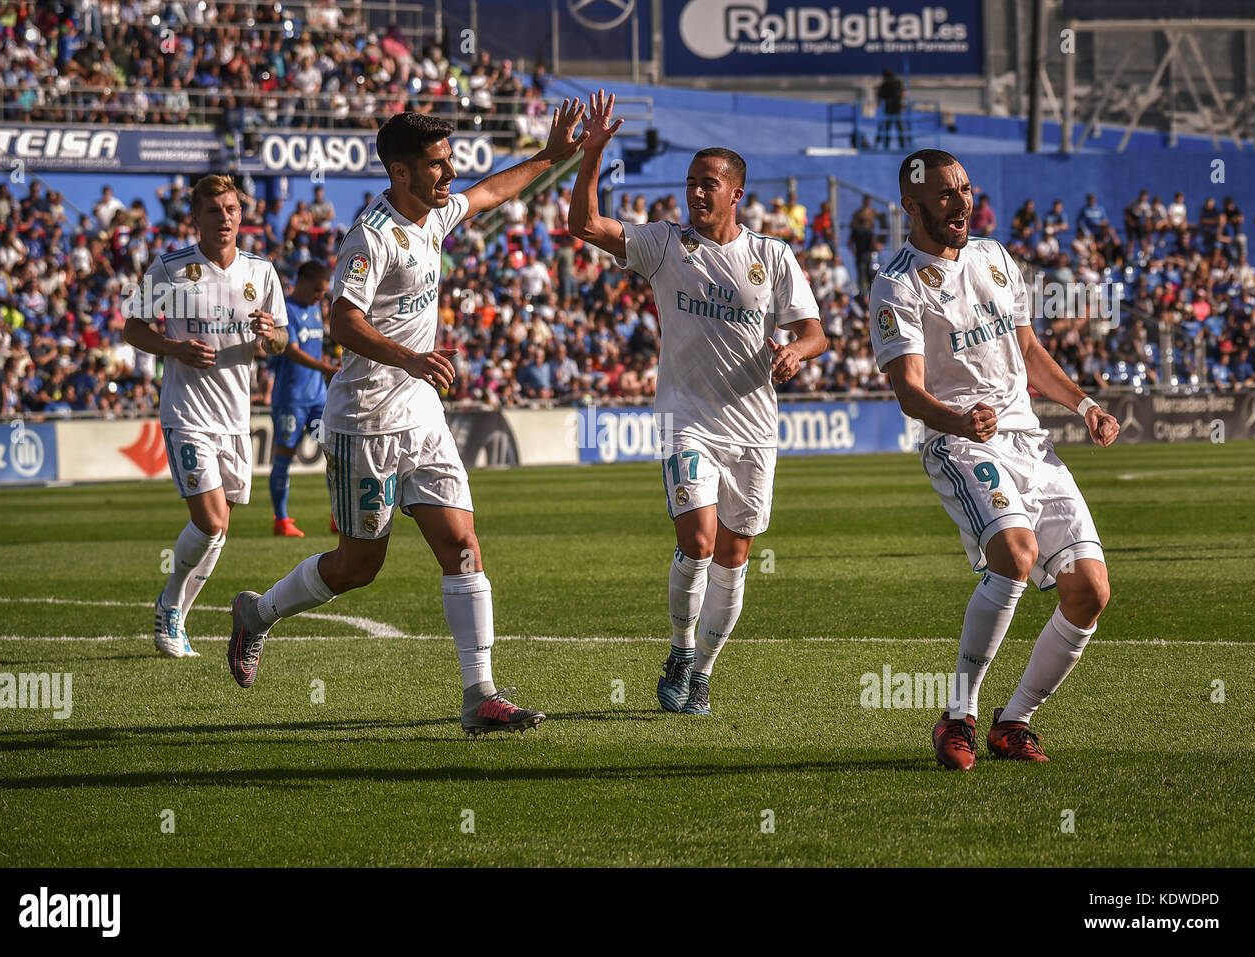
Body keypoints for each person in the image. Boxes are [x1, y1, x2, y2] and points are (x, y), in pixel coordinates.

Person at [229, 103, 589, 736]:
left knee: (462, 548)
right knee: (358, 566)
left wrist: (554, 156)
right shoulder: (372, 235)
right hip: (365, 421)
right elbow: (344, 319)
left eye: (449, 160)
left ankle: (480, 698)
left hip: (422, 416)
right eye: (435, 164)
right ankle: (257, 613)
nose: (449, 173)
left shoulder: (435, 213)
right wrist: (409, 358)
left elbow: (490, 193)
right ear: (399, 172)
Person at [568, 91, 826, 716]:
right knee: (700, 542)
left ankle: (702, 672)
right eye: (691, 183)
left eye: (709, 183)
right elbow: (583, 224)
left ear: (736, 192)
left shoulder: (772, 256)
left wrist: (797, 354)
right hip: (684, 423)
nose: (697, 193)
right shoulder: (664, 244)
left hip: (755, 431)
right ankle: (681, 650)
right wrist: (594, 153)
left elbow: (816, 331)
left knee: (736, 557)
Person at [869, 149, 1119, 770]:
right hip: (961, 443)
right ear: (912, 205)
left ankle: (1014, 724)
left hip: (1030, 442)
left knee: (1090, 591)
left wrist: (1083, 403)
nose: (960, 202)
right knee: (1013, 554)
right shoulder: (897, 282)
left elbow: (1027, 348)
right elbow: (907, 389)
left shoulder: (996, 258)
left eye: (965, 189)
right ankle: (957, 715)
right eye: (946, 194)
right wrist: (958, 421)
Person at [123, 174, 289, 658]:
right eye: (214, 211)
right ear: (195, 217)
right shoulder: (170, 268)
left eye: (232, 209)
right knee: (211, 520)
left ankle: (174, 613)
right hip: (186, 411)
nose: (225, 218)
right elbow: (133, 327)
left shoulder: (261, 271)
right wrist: (174, 346)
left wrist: (268, 335)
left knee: (221, 527)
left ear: (242, 214)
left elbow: (280, 341)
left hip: (236, 416)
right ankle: (170, 608)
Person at [268, 259, 338, 537]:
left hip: (318, 398)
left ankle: (338, 516)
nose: (321, 297)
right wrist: (325, 368)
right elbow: (291, 350)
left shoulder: (316, 308)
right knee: (284, 456)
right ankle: (281, 520)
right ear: (303, 282)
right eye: (318, 291)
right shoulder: (286, 310)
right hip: (291, 398)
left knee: (333, 452)